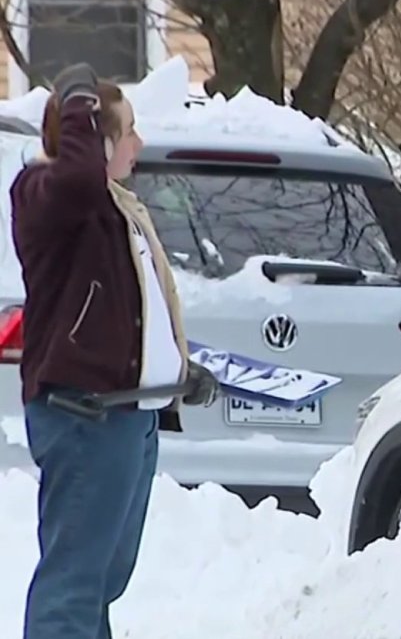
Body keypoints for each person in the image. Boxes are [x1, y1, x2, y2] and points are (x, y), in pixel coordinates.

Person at [11, 63, 220, 639]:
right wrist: (78, 103)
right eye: (127, 130)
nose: (139, 142)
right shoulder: (46, 194)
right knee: (73, 586)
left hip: (130, 413)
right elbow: (77, 178)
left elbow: (131, 306)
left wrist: (176, 371)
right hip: (85, 416)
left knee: (102, 582)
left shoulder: (113, 206)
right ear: (97, 140)